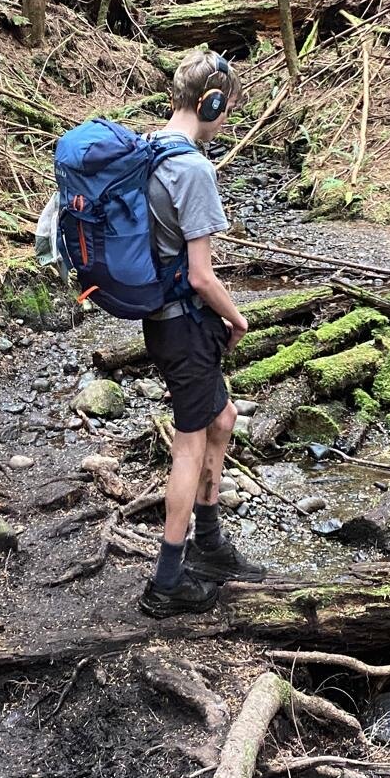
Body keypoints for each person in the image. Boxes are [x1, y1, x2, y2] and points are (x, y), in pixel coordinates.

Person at [138, 49, 267, 618]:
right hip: (187, 327)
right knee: (189, 445)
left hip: (163, 323)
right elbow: (200, 275)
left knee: (223, 418)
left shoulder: (147, 149)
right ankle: (166, 582)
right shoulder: (193, 168)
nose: (226, 120)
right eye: (227, 109)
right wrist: (237, 318)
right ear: (210, 102)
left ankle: (210, 545)